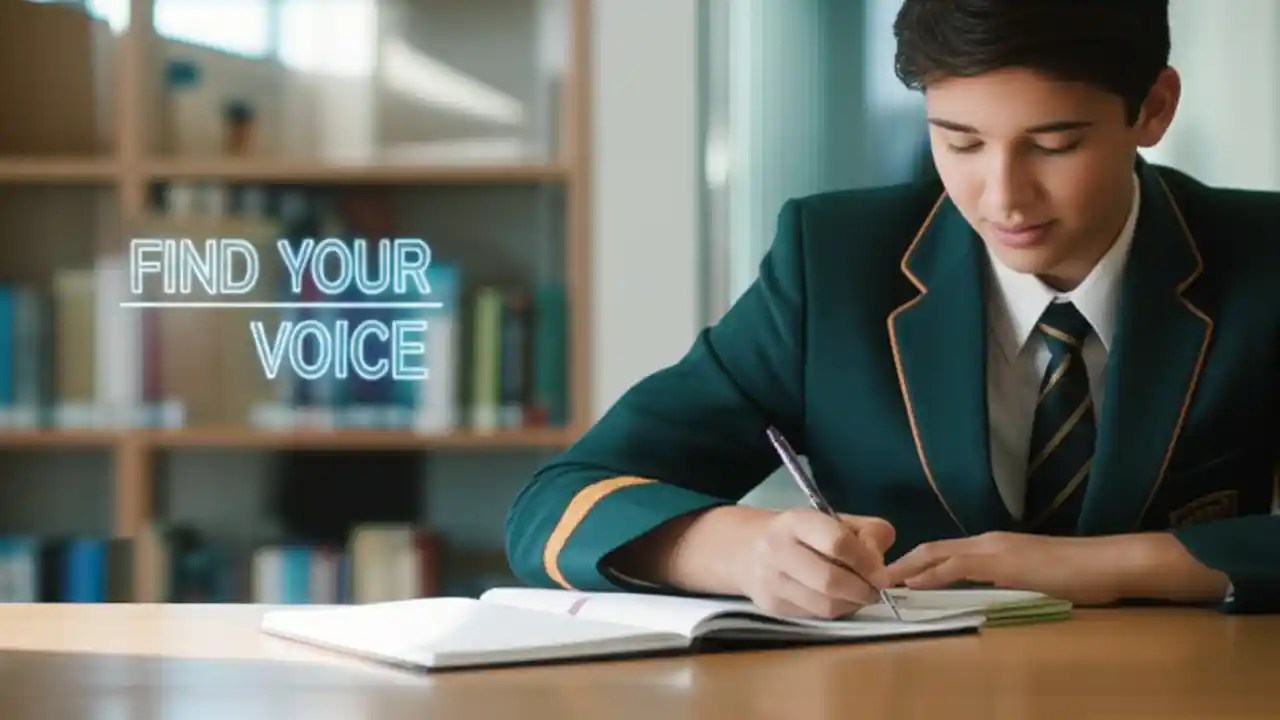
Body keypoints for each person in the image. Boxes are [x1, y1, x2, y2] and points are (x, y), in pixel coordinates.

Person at [505, 0, 1279, 616]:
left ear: (1152, 108)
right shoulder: (835, 262)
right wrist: (740, 550)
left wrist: (1108, 566)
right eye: (961, 142)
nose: (1003, 197)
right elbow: (556, 504)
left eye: (1053, 146)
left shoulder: (1264, 256)